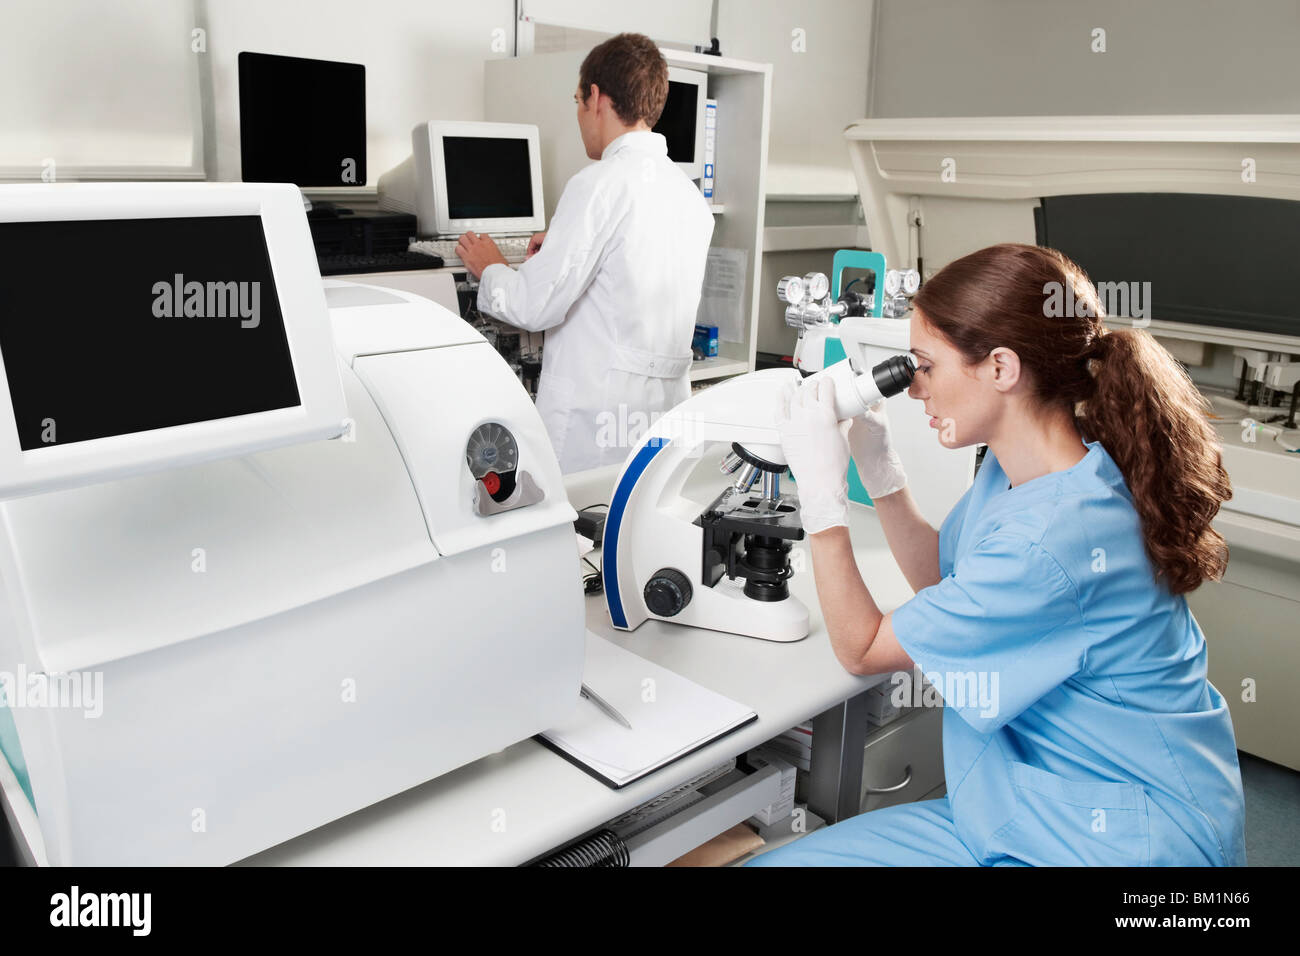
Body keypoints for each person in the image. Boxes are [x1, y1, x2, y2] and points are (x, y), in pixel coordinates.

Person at [750, 243, 1246, 866]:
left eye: (925, 365)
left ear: (1002, 368)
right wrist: (882, 476)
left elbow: (863, 646)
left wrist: (822, 504)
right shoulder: (1030, 467)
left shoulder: (1054, 535)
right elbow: (949, 580)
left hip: (1125, 844)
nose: (914, 387)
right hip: (1026, 805)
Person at [456, 33, 714, 473]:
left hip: (594, 424)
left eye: (578, 101)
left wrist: (492, 267)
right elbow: (622, 278)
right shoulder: (688, 195)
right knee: (631, 534)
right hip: (662, 419)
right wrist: (558, 247)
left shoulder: (598, 184)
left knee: (578, 533)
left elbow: (534, 307)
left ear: (596, 97)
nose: (579, 115)